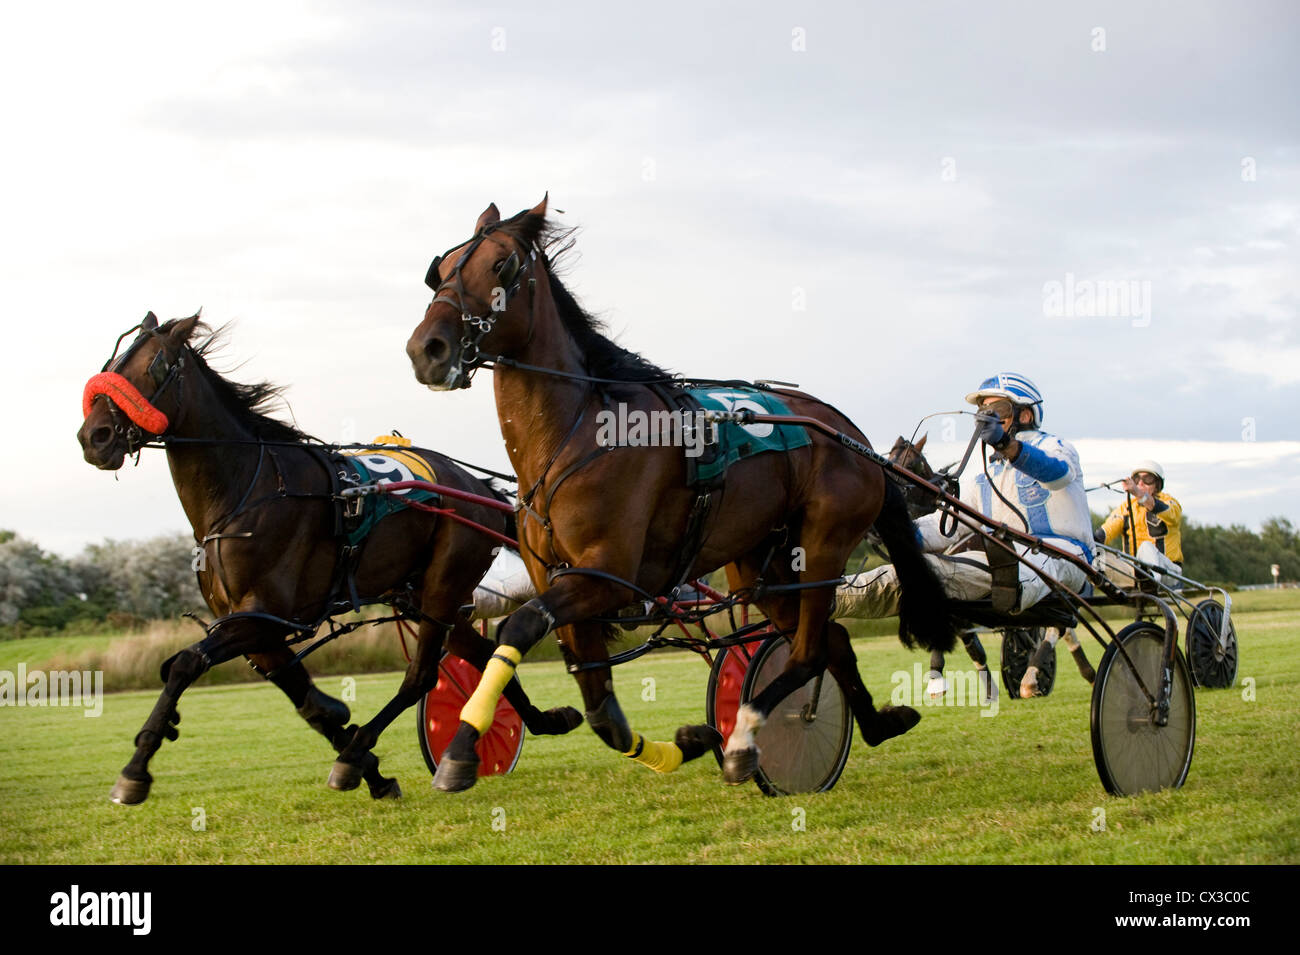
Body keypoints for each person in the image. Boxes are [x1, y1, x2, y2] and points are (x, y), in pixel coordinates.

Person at [836, 372, 1096, 699]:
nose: (986, 417)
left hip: (1062, 557)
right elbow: (944, 527)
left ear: (1025, 415)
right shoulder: (980, 479)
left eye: (996, 410)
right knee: (910, 572)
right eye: (981, 413)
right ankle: (824, 599)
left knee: (1002, 563)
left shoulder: (1057, 447)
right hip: (999, 564)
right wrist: (890, 530)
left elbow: (1058, 476)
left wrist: (1008, 445)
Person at [1094, 459, 1184, 586]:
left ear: (1157, 484)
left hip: (1168, 572)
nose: (1140, 483)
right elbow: (1105, 533)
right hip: (1132, 571)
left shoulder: (1169, 502)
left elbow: (1166, 512)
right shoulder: (1125, 508)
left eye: (1147, 479)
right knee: (1094, 552)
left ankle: (1149, 579)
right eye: (1136, 479)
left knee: (1146, 547)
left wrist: (1138, 493)